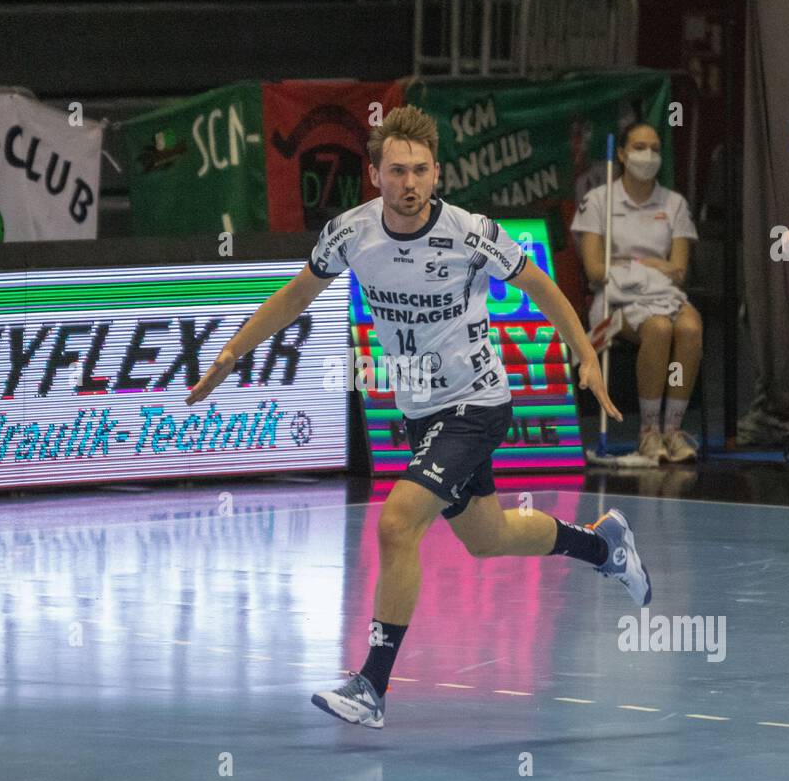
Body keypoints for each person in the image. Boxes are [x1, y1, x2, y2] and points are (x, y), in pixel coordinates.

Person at [185, 105, 653, 729]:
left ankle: (372, 686)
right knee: (487, 539)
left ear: (438, 174)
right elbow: (296, 295)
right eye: (397, 170)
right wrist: (231, 351)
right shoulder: (350, 234)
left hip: (477, 403)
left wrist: (584, 355)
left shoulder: (471, 232)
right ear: (376, 175)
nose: (410, 183)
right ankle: (602, 546)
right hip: (419, 409)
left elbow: (540, 286)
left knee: (398, 524)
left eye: (422, 170)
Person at [571, 122, 703, 463]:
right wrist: (653, 264)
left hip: (664, 294)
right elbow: (595, 270)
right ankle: (648, 432)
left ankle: (672, 430)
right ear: (622, 154)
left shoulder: (674, 204)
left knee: (689, 327)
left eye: (655, 149)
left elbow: (678, 270)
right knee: (658, 328)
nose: (648, 155)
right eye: (640, 147)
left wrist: (631, 261)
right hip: (615, 298)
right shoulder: (598, 201)